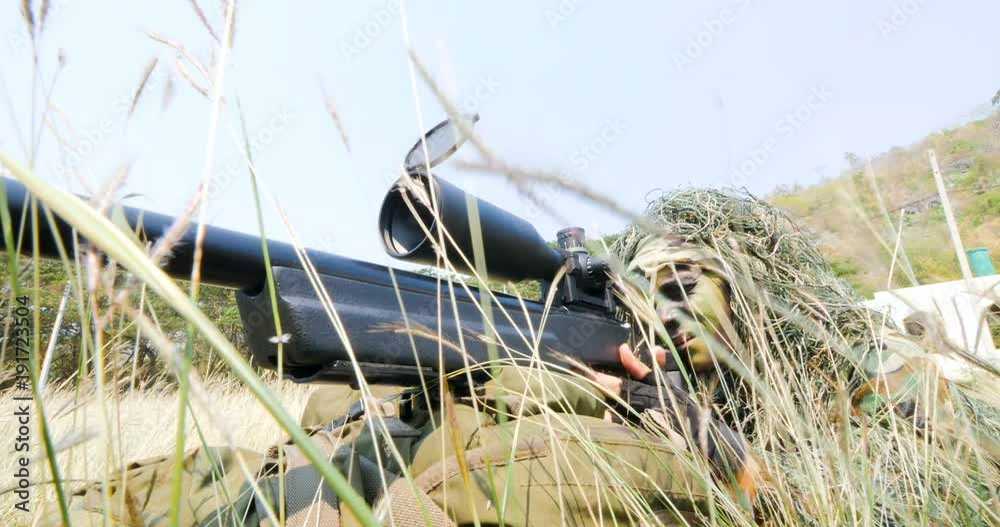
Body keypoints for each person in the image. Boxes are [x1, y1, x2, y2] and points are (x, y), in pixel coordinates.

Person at [39, 188, 997, 526]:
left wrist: (696, 432)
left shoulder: (645, 460)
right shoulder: (506, 374)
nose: (661, 304)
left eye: (689, 287)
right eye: (647, 285)